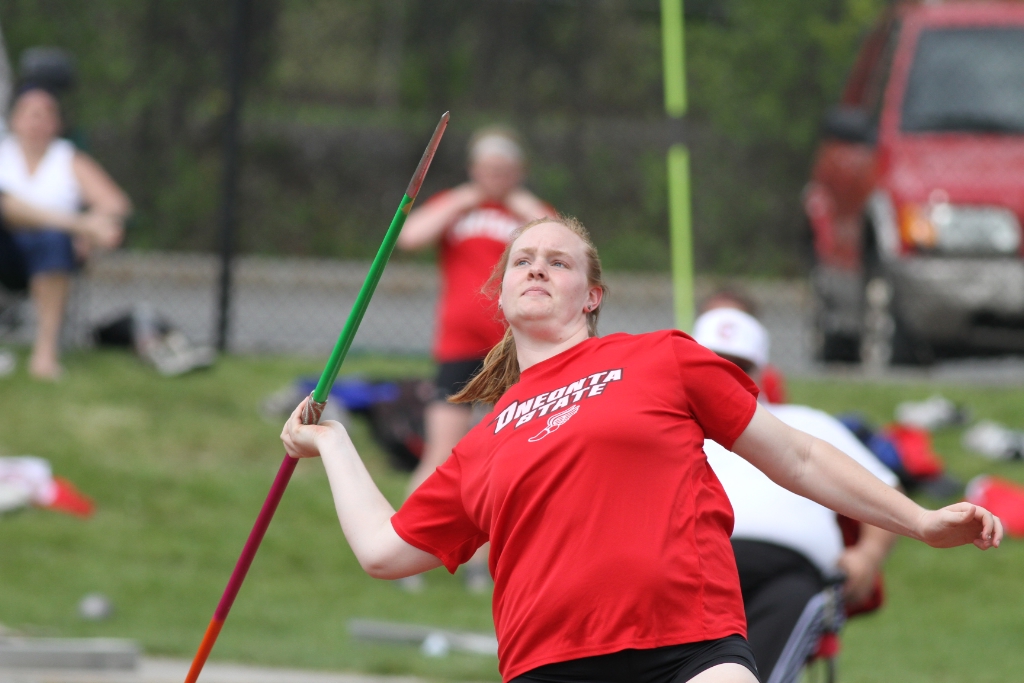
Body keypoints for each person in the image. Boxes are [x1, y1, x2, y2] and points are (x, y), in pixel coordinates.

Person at [282, 215, 1001, 683]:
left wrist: (920, 519)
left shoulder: (661, 358)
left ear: (592, 295)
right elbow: (384, 550)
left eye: (558, 261)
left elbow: (799, 456)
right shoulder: (487, 440)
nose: (537, 268)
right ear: (499, 296)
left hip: (689, 644)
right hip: (550, 663)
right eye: (522, 261)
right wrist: (333, 442)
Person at [693, 306, 898, 680]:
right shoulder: (672, 424)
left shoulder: (806, 422)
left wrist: (868, 555)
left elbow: (881, 486)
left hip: (791, 575)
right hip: (690, 568)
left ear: (761, 371)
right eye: (713, 363)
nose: (725, 374)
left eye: (739, 365)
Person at [396, 127, 553, 590]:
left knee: (499, 457)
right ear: (473, 169)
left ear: (519, 172)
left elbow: (563, 242)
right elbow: (410, 237)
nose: (494, 178)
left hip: (512, 351)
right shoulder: (456, 207)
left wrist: (520, 201)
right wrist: (464, 198)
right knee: (440, 453)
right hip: (458, 349)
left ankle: (482, 566)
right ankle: (406, 554)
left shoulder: (527, 215)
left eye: (504, 170)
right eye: (487, 169)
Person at [0, 86, 130, 379]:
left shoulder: (69, 159)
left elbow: (116, 204)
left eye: (46, 116)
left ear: (56, 124)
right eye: (31, 115)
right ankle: (68, 225)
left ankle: (45, 354)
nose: (38, 123)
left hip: (52, 252)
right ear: (15, 120)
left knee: (53, 240)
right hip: (5, 250)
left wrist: (89, 235)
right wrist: (81, 226)